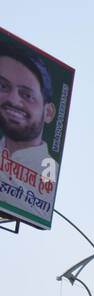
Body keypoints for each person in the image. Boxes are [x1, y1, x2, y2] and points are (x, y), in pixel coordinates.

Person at [0, 41, 55, 199]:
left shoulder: (50, 173)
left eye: (26, 95)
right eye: (3, 86)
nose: (13, 100)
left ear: (48, 112)